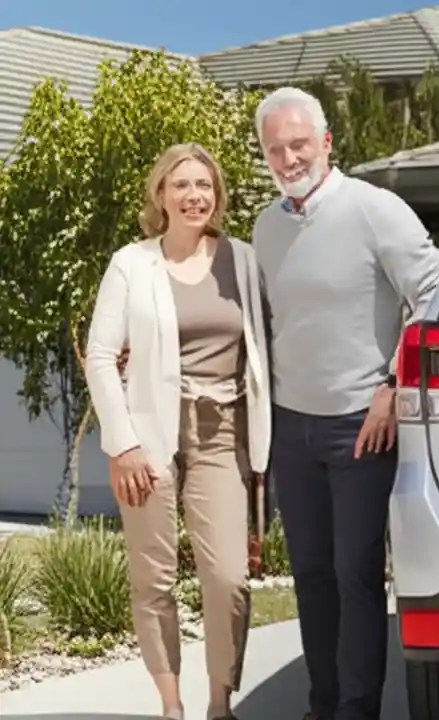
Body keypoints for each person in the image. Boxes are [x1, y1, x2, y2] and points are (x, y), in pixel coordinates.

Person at [251, 87, 439, 720]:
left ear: (327, 142)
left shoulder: (374, 209)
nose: (288, 158)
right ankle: (323, 704)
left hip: (362, 427)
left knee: (355, 574)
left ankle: (359, 709)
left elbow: (433, 293)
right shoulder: (266, 226)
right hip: (292, 426)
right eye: (275, 149)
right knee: (309, 575)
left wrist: (392, 386)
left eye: (299, 144)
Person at [83, 142, 273, 720]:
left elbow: (265, 345)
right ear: (160, 194)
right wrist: (124, 443)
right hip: (148, 439)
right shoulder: (131, 263)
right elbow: (99, 354)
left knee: (227, 578)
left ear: (217, 195)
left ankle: (220, 704)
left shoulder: (241, 260)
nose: (194, 196)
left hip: (221, 433)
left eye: (204, 186)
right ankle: (172, 706)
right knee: (154, 579)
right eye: (181, 185)